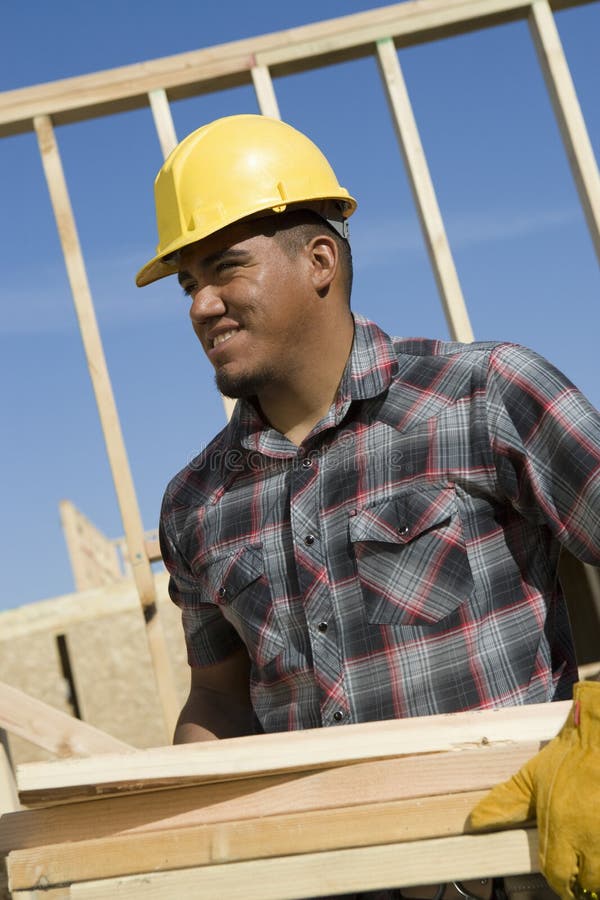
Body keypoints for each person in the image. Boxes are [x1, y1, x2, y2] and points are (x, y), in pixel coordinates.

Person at [136, 115, 600, 900]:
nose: (201, 306)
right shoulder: (195, 504)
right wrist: (189, 837)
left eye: (225, 268)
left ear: (319, 260)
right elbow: (217, 697)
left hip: (521, 875)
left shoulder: (484, 396)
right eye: (188, 284)